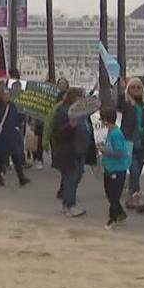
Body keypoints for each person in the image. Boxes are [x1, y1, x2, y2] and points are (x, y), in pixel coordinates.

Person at [119, 77, 144, 212]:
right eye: (133, 87)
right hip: (129, 141)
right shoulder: (126, 103)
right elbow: (118, 104)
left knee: (138, 171)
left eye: (138, 87)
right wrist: (122, 89)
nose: (135, 89)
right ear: (128, 90)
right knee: (134, 170)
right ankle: (135, 196)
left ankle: (131, 197)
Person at [52, 87, 91, 217]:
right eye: (81, 96)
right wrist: (70, 126)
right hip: (69, 151)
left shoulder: (83, 113)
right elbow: (57, 133)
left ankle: (67, 204)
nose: (83, 99)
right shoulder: (64, 112)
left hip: (80, 149)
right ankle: (70, 205)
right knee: (71, 178)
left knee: (76, 177)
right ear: (75, 98)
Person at [0, 83, 30, 187]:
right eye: (4, 94)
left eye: (8, 94)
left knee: (16, 156)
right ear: (0, 95)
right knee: (0, 157)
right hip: (0, 136)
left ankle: (21, 178)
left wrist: (22, 118)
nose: (7, 96)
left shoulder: (12, 105)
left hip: (10, 134)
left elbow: (16, 118)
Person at [97, 108, 131, 229]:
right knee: (110, 194)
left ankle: (112, 218)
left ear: (106, 120)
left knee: (114, 196)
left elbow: (119, 152)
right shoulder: (111, 131)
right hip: (110, 167)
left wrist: (104, 150)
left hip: (118, 168)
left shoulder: (116, 133)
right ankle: (120, 214)